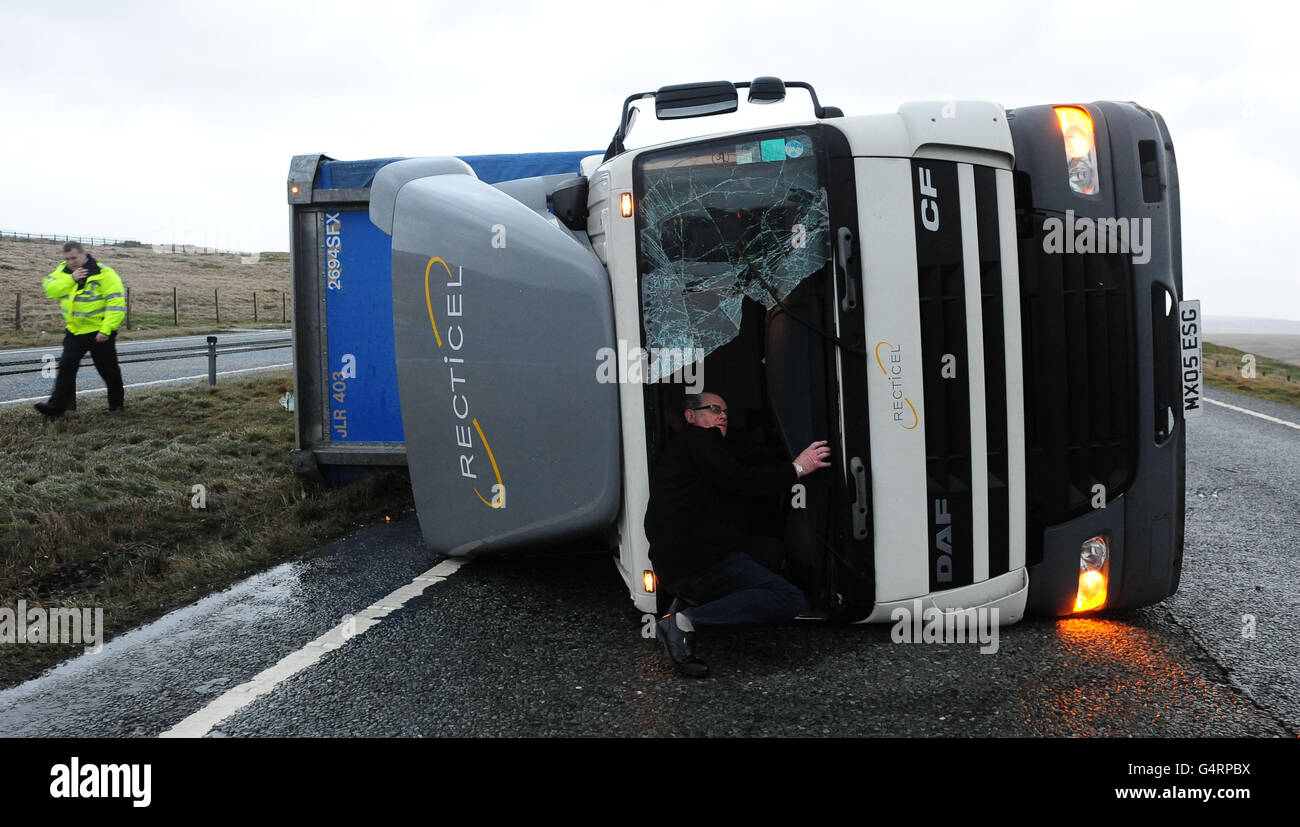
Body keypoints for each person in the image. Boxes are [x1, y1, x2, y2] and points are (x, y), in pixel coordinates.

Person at [644, 391, 831, 677]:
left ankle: (691, 602)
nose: (723, 415)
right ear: (690, 417)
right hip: (698, 563)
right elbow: (740, 480)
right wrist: (797, 468)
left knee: (769, 549)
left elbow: (742, 466)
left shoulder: (692, 450)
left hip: (680, 563)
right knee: (789, 599)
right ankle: (685, 622)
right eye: (714, 409)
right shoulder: (699, 439)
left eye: (726, 412)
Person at [34, 242, 127, 417]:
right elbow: (50, 289)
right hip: (75, 331)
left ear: (84, 255)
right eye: (67, 259)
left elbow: (116, 303)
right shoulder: (63, 271)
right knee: (66, 367)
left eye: (74, 258)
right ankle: (56, 408)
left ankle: (116, 405)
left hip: (100, 332)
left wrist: (106, 330)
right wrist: (72, 279)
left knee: (108, 370)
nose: (71, 262)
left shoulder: (105, 273)